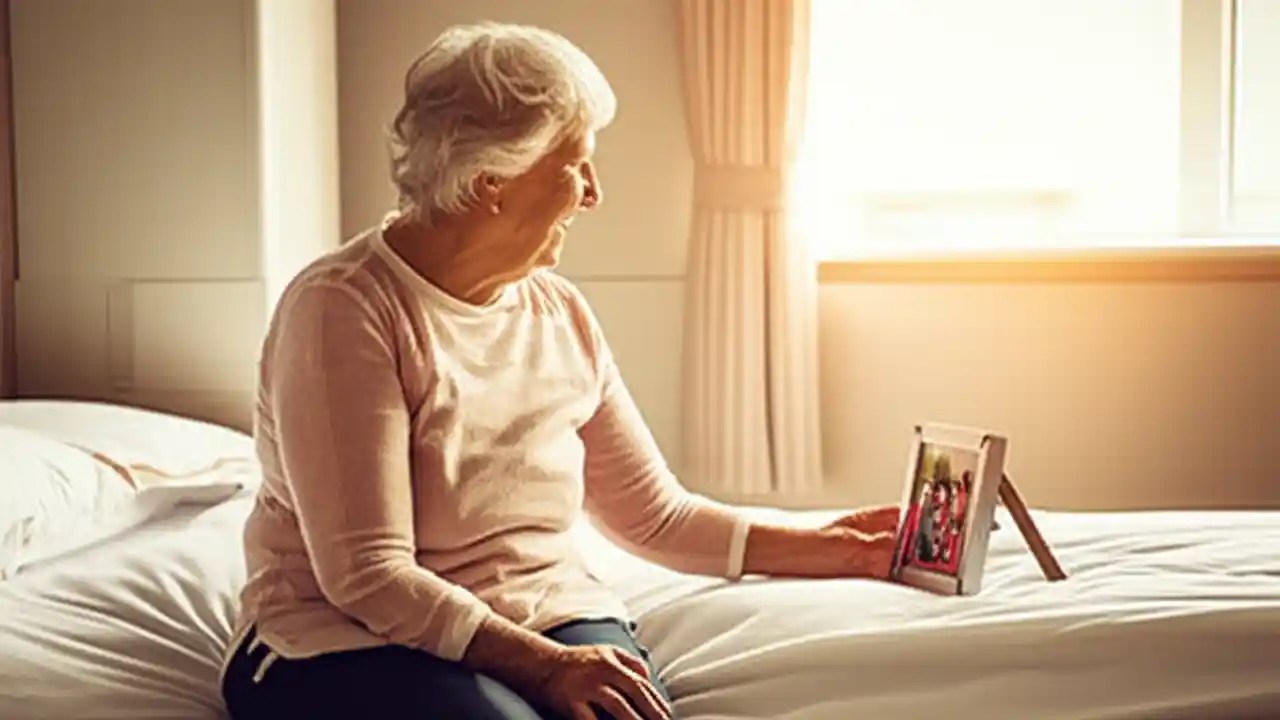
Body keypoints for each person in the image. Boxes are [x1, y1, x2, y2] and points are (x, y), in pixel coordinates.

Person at [218, 22, 899, 720]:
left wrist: (839, 549)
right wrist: (547, 667)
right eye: (575, 165)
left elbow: (657, 517)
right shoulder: (344, 310)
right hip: (344, 639)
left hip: (541, 615)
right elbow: (368, 577)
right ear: (492, 184)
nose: (594, 193)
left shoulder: (558, 311)